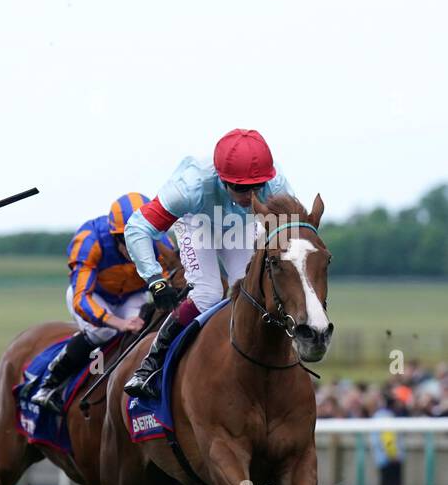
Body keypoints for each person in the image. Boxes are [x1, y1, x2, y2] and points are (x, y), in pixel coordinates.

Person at [122, 129, 295, 399]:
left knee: (252, 291)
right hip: (197, 219)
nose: (250, 196)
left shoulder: (276, 186)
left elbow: (292, 237)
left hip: (238, 224)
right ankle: (151, 364)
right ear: (222, 179)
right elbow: (137, 228)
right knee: (208, 293)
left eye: (256, 187)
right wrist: (155, 279)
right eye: (240, 188)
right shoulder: (189, 187)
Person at [29, 193, 176, 414]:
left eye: (142, 238)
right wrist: (115, 322)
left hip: (132, 296)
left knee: (145, 332)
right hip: (93, 295)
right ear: (115, 236)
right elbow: (81, 297)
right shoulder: (90, 240)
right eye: (128, 240)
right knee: (103, 333)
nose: (136, 246)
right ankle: (50, 383)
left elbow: (168, 283)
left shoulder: (162, 243)